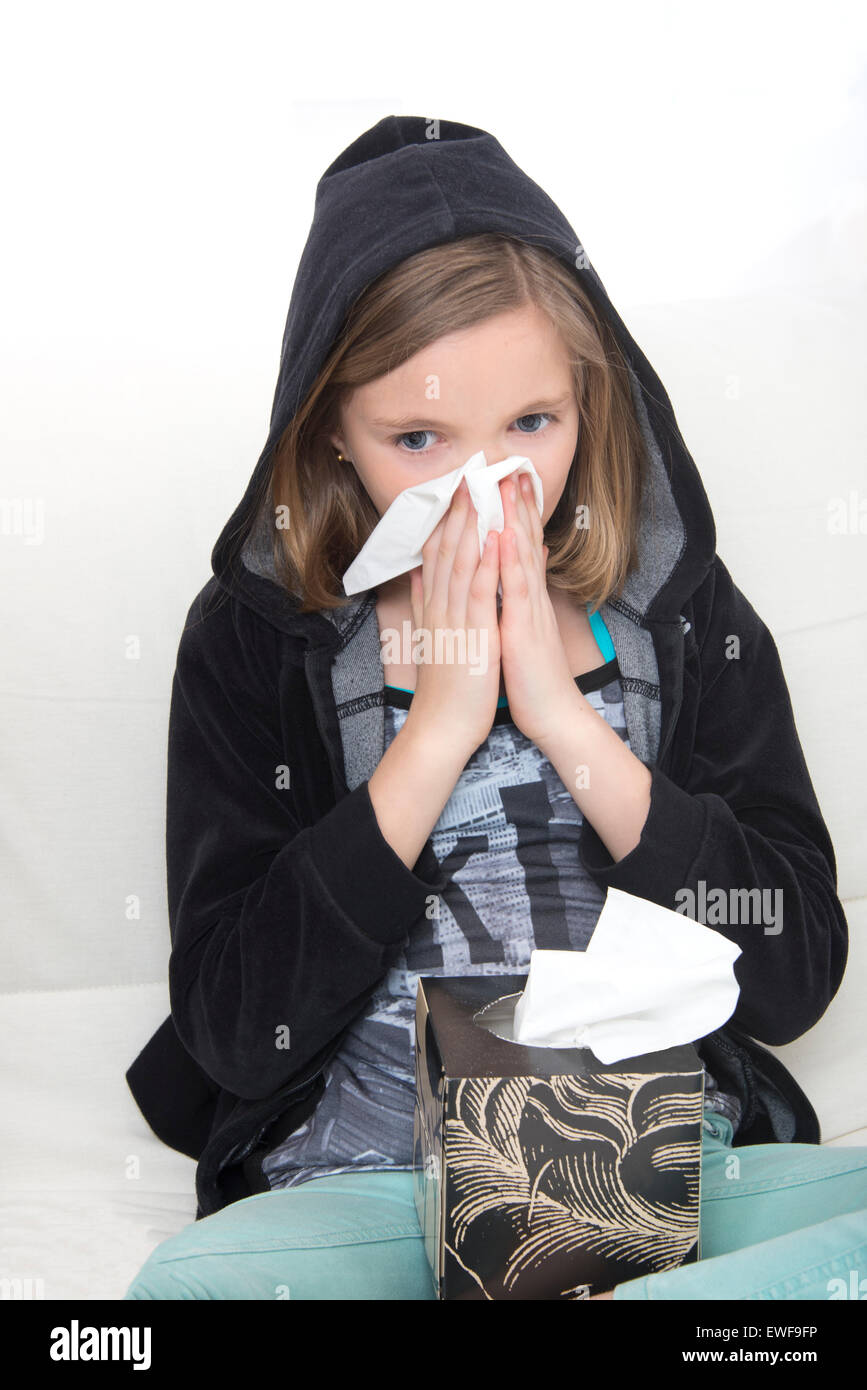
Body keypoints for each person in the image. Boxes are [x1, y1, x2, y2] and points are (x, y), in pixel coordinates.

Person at [123, 114, 866, 1301]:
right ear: (329, 436)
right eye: (417, 437)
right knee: (184, 1295)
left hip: (663, 1161)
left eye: (532, 424)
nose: (484, 481)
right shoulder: (253, 646)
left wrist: (572, 731)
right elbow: (231, 1022)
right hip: (374, 1172)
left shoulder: (683, 617)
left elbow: (796, 973)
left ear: (590, 400)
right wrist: (437, 733)